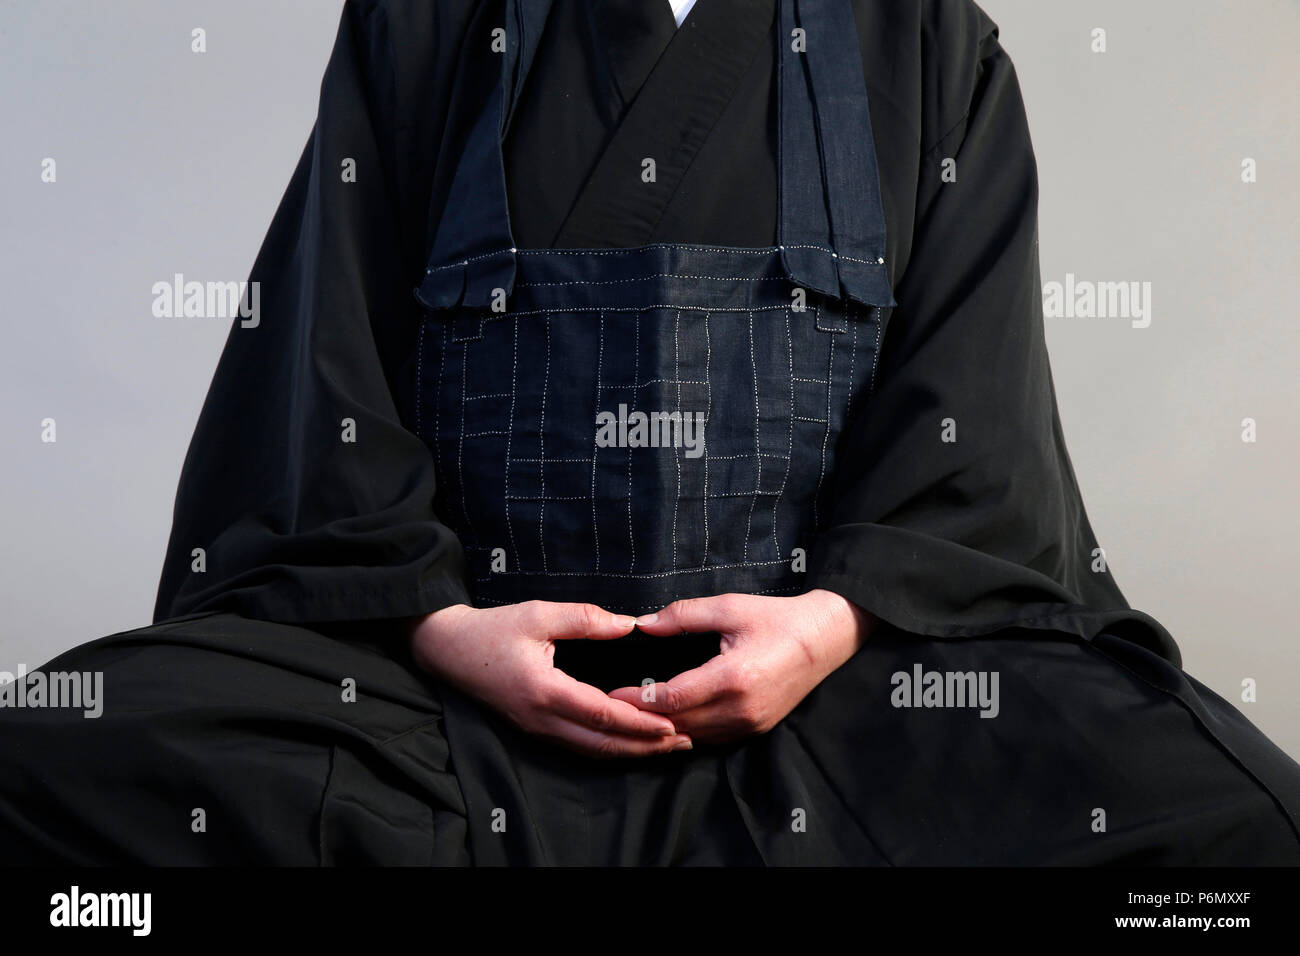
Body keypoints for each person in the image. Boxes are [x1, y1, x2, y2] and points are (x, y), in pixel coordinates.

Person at [3, 0, 1298, 866]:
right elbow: (324, 391)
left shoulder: (925, 36)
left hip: (828, 714)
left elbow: (976, 450)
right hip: (457, 717)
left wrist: (829, 625)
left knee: (1236, 829)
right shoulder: (427, 21)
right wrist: (441, 624)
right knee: (52, 760)